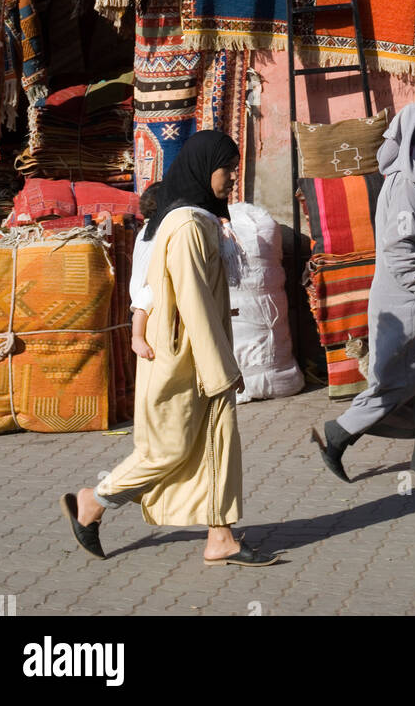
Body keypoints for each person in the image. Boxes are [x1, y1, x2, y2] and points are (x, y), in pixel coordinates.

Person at [60, 130, 278, 568]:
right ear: (203, 168)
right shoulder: (187, 226)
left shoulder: (195, 219)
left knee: (215, 442)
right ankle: (94, 500)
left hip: (195, 354)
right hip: (183, 358)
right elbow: (193, 301)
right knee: (171, 447)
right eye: (226, 169)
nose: (232, 178)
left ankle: (221, 537)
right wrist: (221, 369)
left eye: (234, 169)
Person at [312, 103, 415, 482]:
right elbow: (397, 247)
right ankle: (339, 433)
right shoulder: (406, 183)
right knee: (402, 378)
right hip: (410, 301)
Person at [129, 182, 162, 361]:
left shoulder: (145, 231)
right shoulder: (158, 230)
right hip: (146, 285)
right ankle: (137, 337)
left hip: (139, 282)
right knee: (146, 301)